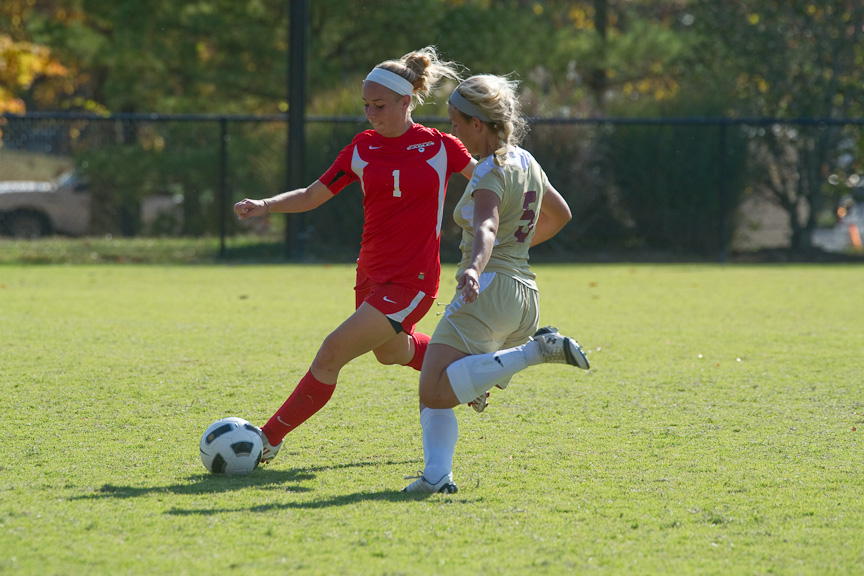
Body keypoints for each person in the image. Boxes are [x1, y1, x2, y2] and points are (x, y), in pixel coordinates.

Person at [234, 47, 475, 463]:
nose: (371, 113)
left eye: (379, 105)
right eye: (366, 105)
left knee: (332, 352)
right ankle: (469, 370)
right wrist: (267, 204)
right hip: (370, 275)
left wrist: (521, 202)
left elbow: (492, 181)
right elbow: (313, 195)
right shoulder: (361, 149)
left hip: (413, 280)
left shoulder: (441, 147)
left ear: (406, 101)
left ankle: (266, 440)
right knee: (391, 353)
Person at [401, 74, 590, 494]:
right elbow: (561, 215)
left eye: (455, 121)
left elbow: (485, 227)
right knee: (439, 384)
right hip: (524, 294)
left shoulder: (489, 169)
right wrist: (513, 246)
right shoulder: (527, 161)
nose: (451, 128)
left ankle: (535, 351)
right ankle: (437, 476)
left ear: (478, 124)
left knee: (432, 389)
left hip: (489, 290)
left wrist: (475, 266)